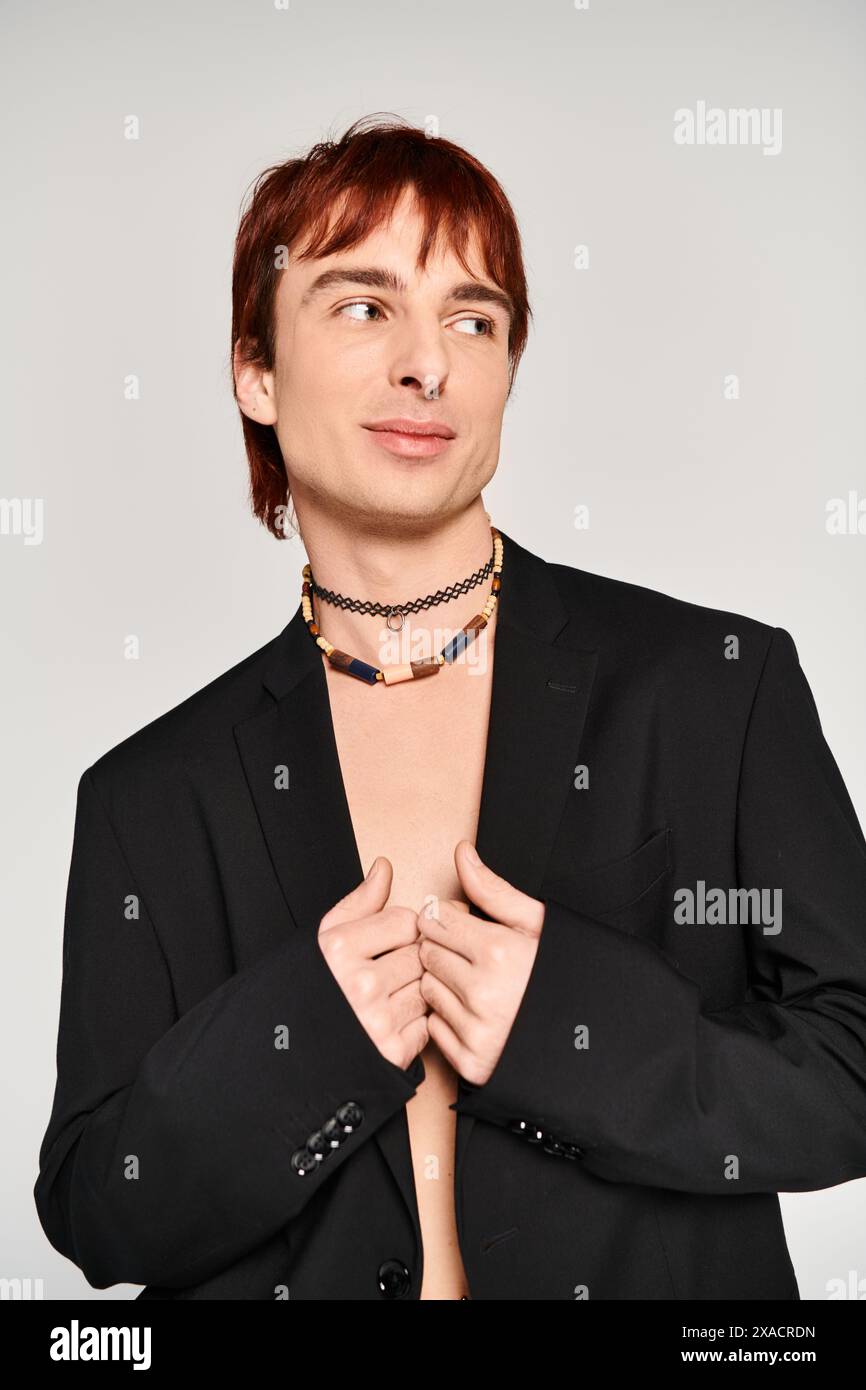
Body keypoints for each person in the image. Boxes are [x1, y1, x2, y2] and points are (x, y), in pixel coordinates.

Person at [34, 114, 866, 1301]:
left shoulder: (713, 687)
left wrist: (573, 1028)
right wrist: (298, 1037)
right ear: (255, 371)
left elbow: (852, 1068)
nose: (428, 364)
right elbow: (99, 1214)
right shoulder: (147, 796)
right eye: (364, 306)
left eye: (471, 319)